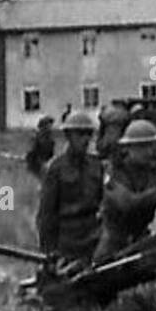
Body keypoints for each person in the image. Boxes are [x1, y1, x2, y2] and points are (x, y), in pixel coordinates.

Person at [93, 119, 156, 261]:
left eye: (151, 146)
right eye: (142, 147)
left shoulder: (153, 172)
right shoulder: (114, 173)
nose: (149, 152)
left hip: (141, 242)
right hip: (113, 247)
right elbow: (127, 203)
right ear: (128, 148)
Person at [36, 110, 105, 264]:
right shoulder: (55, 168)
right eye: (80, 134)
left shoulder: (96, 165)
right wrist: (49, 252)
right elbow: (46, 215)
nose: (86, 139)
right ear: (68, 136)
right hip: (67, 241)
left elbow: (104, 203)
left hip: (93, 239)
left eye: (89, 134)